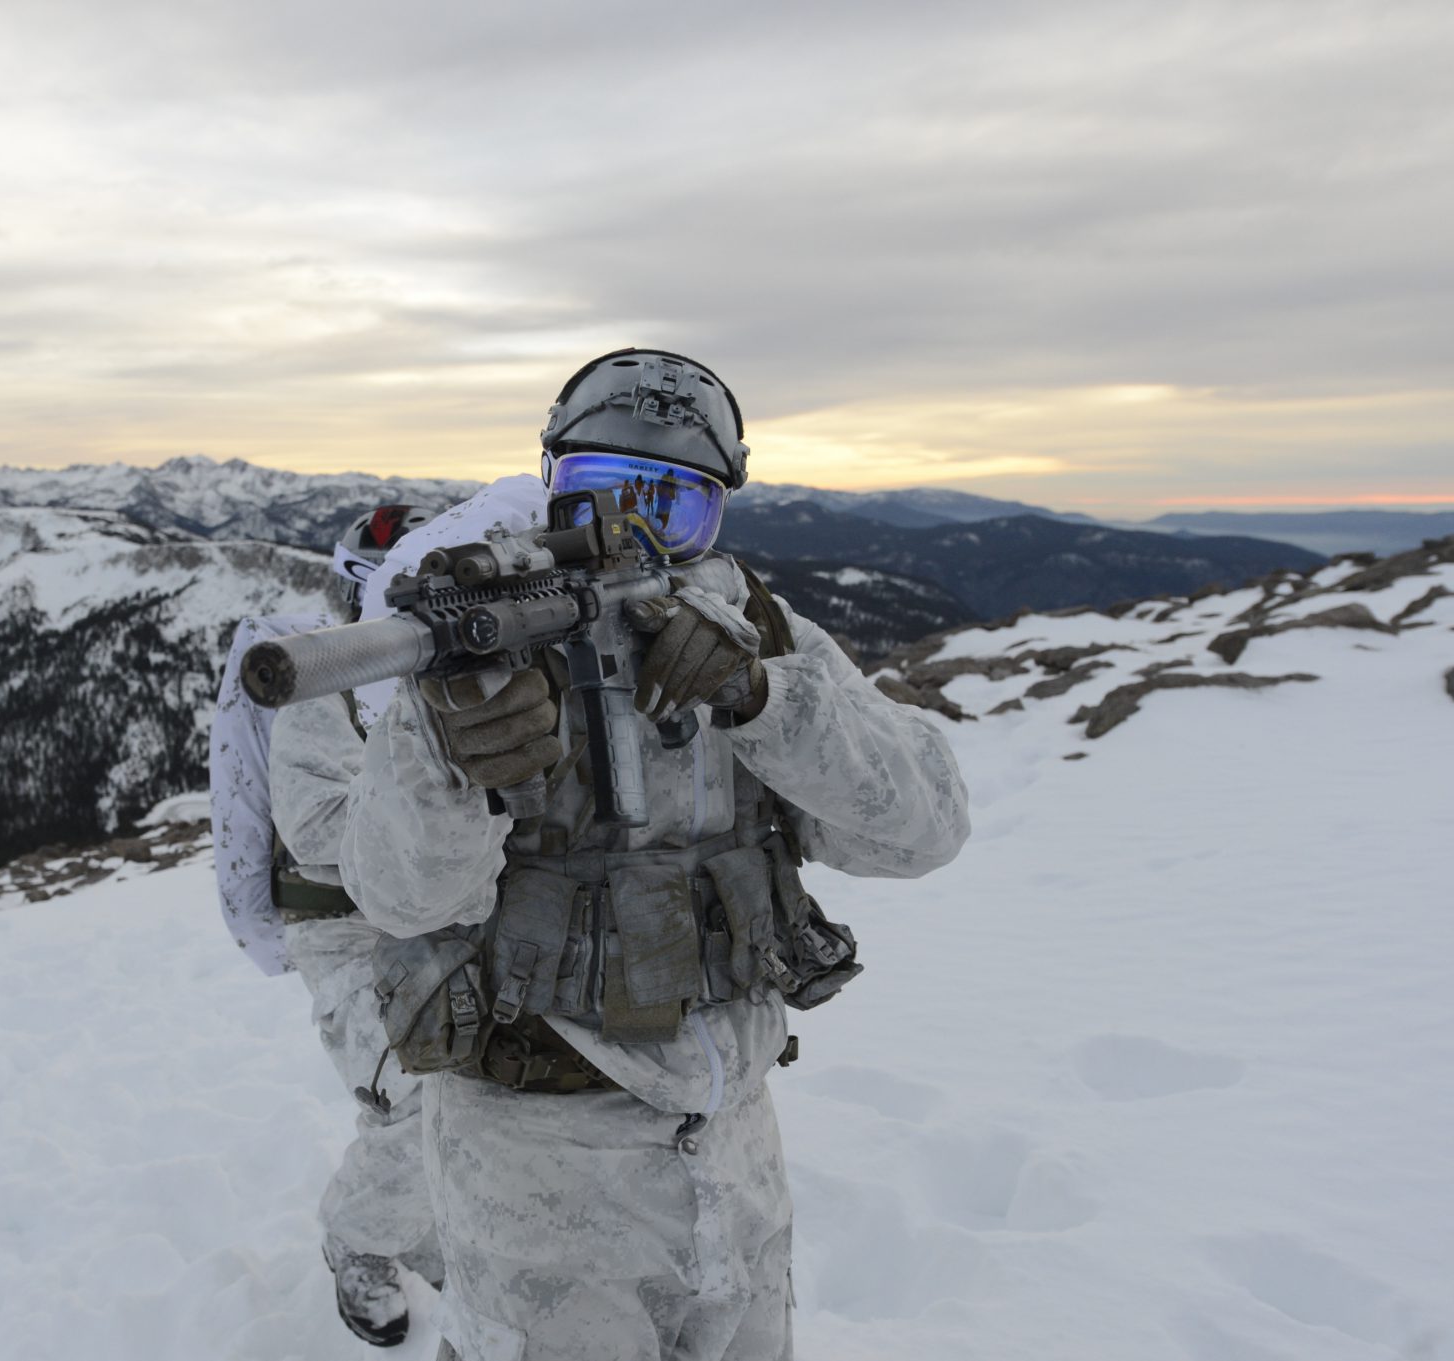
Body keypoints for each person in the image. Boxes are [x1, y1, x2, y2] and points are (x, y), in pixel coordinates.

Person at [328, 349, 973, 1360]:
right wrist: (457, 766)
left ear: (718, 513)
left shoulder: (757, 628)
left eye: (673, 506)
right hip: (536, 1166)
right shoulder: (484, 652)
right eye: (598, 495)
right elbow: (403, 897)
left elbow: (921, 826)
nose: (631, 533)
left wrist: (762, 699)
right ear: (550, 485)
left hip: (733, 1139)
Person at [210, 503, 443, 1347]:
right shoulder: (319, 689)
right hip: (343, 929)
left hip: (444, 920)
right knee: (421, 1094)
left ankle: (424, 1216)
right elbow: (305, 828)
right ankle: (361, 1238)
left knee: (494, 1081)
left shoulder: (457, 674)